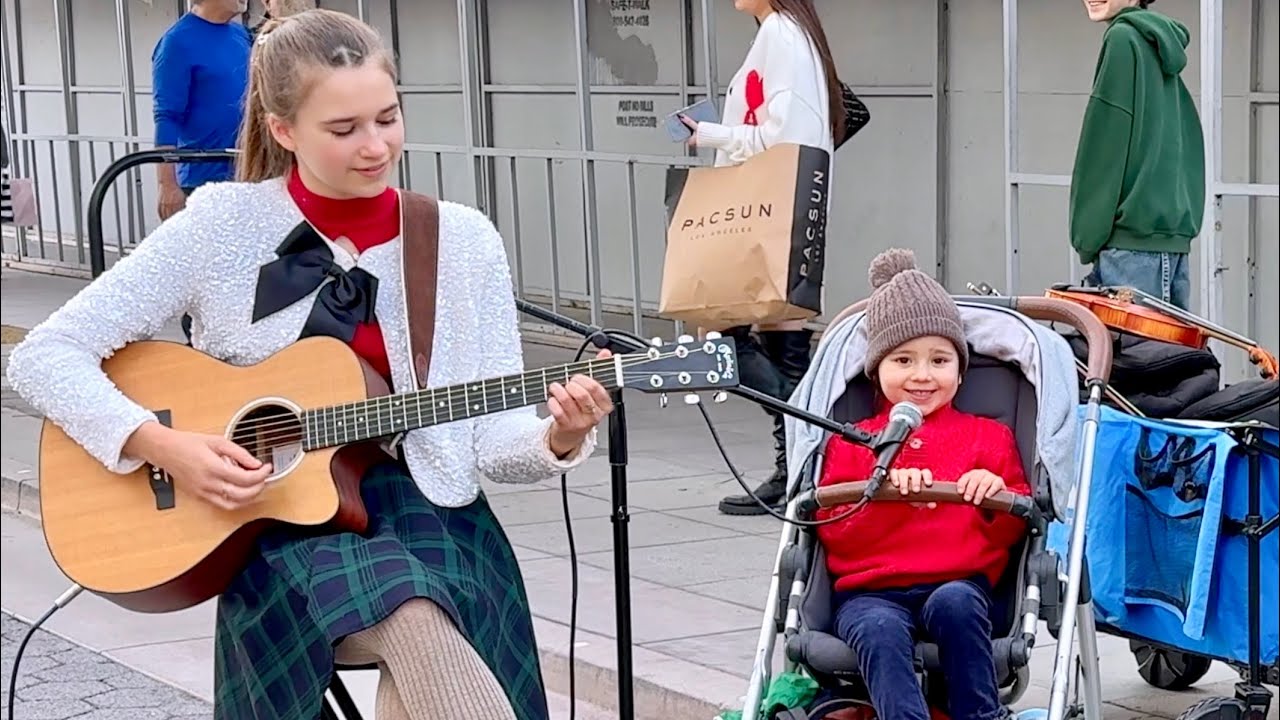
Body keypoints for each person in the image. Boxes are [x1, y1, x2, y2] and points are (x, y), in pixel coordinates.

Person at [6, 10, 612, 720]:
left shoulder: (463, 240)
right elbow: (45, 355)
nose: (376, 145)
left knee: (428, 612)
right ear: (283, 129)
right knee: (413, 612)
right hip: (278, 528)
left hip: (435, 517)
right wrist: (163, 444)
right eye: (344, 129)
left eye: (387, 118)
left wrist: (559, 436)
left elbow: (493, 441)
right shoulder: (220, 225)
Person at [814, 249, 1031, 720]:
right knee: (876, 628)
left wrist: (991, 494)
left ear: (960, 368)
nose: (922, 375)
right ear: (877, 369)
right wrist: (880, 492)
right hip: (869, 591)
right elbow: (830, 526)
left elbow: (1017, 529)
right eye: (903, 360)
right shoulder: (856, 441)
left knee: (956, 603)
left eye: (939, 360)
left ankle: (979, 715)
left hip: (959, 583)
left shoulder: (988, 437)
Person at [678, 0, 844, 516]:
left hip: (763, 210)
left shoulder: (781, 33)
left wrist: (707, 134)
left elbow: (779, 134)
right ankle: (800, 467)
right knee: (783, 342)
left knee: (724, 339)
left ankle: (802, 460)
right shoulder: (790, 32)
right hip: (780, 211)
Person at [1069, 0, 1204, 311]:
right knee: (1168, 358)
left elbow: (1104, 147)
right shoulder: (1157, 45)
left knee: (1124, 357)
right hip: (1172, 244)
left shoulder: (1122, 39)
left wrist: (1086, 237)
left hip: (1129, 251)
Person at [151, 0, 251, 221]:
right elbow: (166, 117)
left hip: (247, 176)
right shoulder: (176, 43)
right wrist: (166, 184)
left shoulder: (242, 35)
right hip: (202, 180)